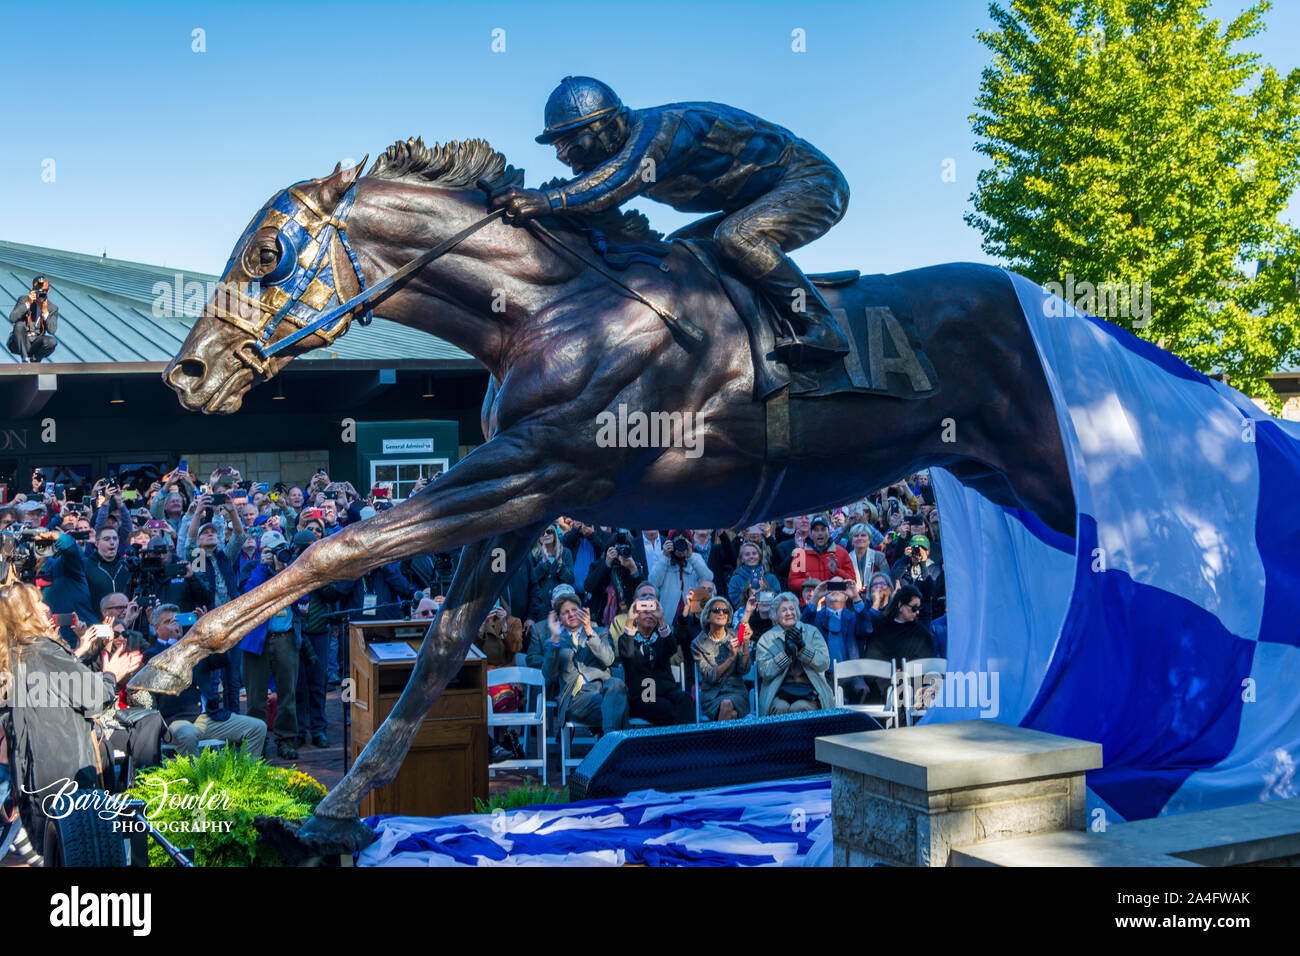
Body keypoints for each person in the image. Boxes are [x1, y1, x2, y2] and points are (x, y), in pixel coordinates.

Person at [493, 77, 851, 368]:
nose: (571, 165)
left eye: (576, 148)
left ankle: (822, 325)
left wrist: (547, 201)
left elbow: (616, 181)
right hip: (756, 197)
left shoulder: (660, 132)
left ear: (608, 125)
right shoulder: (629, 141)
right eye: (562, 154)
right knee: (682, 251)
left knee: (738, 237)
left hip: (811, 182)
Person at [0, 581, 141, 857]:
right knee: (80, 853)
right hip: (67, 771)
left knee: (49, 852)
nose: (46, 607)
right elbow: (93, 697)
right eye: (37, 602)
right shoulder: (43, 650)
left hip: (31, 776)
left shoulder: (9, 657)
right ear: (23, 613)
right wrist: (111, 674)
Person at [239, 531, 299, 758]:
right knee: (255, 697)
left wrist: (284, 571)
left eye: (281, 548)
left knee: (287, 692)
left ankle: (286, 740)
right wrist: (263, 568)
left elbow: (304, 598)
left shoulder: (293, 568)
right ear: (261, 550)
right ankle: (257, 741)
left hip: (285, 638)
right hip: (257, 641)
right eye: (271, 550)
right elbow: (249, 596)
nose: (277, 554)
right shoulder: (252, 569)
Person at [541, 593, 627, 736]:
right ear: (559, 618)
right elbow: (549, 675)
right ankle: (613, 743)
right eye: (565, 612)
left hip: (604, 689)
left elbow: (609, 660)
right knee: (618, 706)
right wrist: (555, 639)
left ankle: (608, 742)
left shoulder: (600, 633)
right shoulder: (553, 643)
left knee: (616, 684)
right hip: (576, 698)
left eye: (575, 610)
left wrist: (588, 630)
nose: (571, 614)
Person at [617, 597, 693, 726]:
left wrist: (661, 618)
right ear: (637, 616)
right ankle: (676, 744)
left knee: (685, 699)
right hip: (643, 694)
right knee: (667, 709)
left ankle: (690, 743)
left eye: (652, 613)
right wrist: (629, 620)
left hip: (666, 689)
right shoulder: (628, 639)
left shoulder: (661, 636)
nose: (649, 616)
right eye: (645, 612)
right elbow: (628, 655)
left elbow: (672, 648)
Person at [863, 584, 939, 711]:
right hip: (884, 681)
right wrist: (891, 671)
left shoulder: (921, 632)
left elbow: (926, 660)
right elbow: (873, 655)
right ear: (900, 605)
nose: (917, 612)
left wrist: (905, 671)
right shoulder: (881, 626)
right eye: (913, 608)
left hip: (913, 682)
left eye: (918, 608)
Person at [756, 591, 832, 716]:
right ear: (776, 615)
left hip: (810, 692)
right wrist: (786, 654)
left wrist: (803, 649)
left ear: (797, 611)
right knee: (779, 708)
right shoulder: (767, 639)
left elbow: (824, 663)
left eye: (792, 609)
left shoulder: (812, 632)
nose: (789, 613)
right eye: (784, 610)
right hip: (778, 693)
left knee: (800, 707)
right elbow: (765, 672)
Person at [692, 595, 752, 720]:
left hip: (737, 692)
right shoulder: (697, 644)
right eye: (716, 610)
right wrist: (730, 657)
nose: (721, 613)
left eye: (725, 611)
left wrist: (745, 645)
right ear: (707, 616)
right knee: (731, 713)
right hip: (712, 696)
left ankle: (718, 739)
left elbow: (744, 670)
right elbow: (711, 676)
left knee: (727, 705)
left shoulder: (735, 635)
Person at [528, 524, 574, 623]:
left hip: (562, 605)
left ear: (554, 534)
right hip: (541, 607)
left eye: (549, 531)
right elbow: (531, 580)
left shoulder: (565, 553)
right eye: (541, 533)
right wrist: (543, 562)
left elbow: (570, 580)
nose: (545, 534)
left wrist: (560, 562)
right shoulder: (533, 555)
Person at [8, 275, 59, 362]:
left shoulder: (52, 308)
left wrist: (45, 312)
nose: (41, 294)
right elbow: (12, 318)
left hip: (37, 343)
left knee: (52, 341)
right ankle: (25, 359)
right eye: (38, 291)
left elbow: (52, 330)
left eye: (44, 291)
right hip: (21, 342)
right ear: (32, 290)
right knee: (19, 325)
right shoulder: (23, 300)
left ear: (48, 291)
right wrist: (28, 303)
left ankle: (35, 359)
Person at [727, 541, 781, 608]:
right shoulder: (735, 580)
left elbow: (778, 599)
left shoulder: (771, 578)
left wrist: (764, 589)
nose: (751, 556)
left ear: (759, 557)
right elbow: (737, 603)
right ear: (742, 559)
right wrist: (748, 592)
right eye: (747, 554)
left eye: (754, 553)